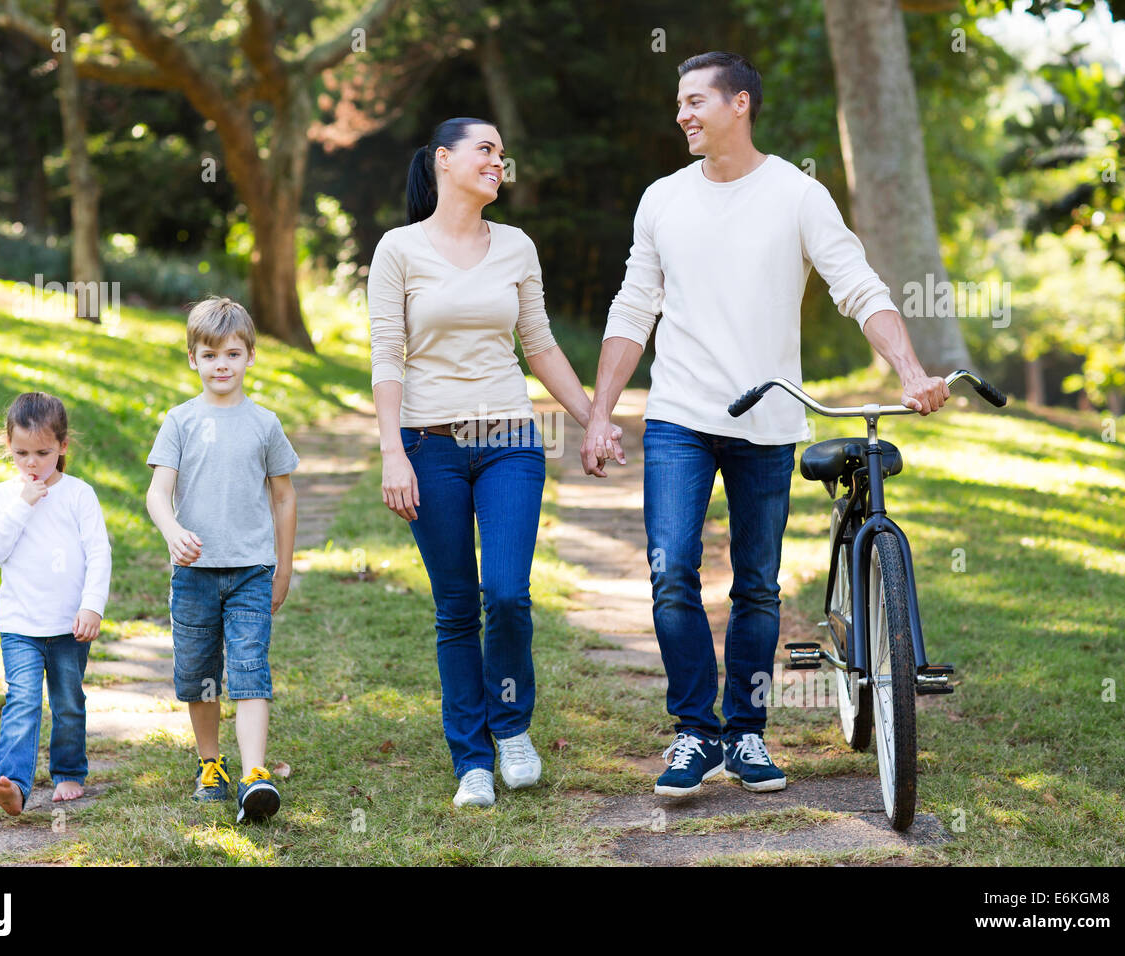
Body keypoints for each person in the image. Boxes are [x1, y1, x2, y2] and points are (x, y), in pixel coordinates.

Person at [581, 52, 949, 797]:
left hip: (770, 420)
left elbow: (857, 285)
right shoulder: (662, 199)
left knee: (756, 586)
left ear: (739, 103)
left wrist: (909, 370)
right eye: (678, 102)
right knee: (671, 573)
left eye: (695, 101)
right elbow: (632, 307)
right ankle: (695, 731)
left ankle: (745, 735)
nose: (682, 114)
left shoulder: (796, 193)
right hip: (680, 415)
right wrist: (599, 412)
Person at [368, 117, 620, 808]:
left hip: (510, 437)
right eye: (486, 150)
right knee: (456, 607)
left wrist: (593, 417)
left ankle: (511, 727)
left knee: (506, 594)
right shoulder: (398, 250)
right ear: (443, 160)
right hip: (430, 444)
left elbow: (537, 344)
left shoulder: (515, 247)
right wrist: (394, 450)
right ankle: (472, 759)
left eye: (503, 154)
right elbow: (387, 354)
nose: (498, 162)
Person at [145, 296, 299, 823]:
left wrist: (284, 566)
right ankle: (211, 764)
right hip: (193, 576)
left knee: (251, 668)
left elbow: (284, 497)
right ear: (193, 359)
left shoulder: (264, 423)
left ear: (250, 357)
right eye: (210, 356)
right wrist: (171, 530)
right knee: (199, 673)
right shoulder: (180, 421)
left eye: (232, 354)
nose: (222, 365)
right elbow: (157, 492)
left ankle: (255, 774)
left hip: (252, 572)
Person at [0, 391, 111, 816]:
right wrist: (22, 504)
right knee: (23, 699)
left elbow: (98, 553)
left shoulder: (78, 495)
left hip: (69, 626)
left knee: (69, 700)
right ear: (7, 445)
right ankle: (14, 784)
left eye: (42, 452)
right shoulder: (1, 497)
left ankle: (69, 771)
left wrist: (92, 605)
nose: (31, 463)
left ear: (63, 446)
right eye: (21, 453)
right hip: (20, 624)